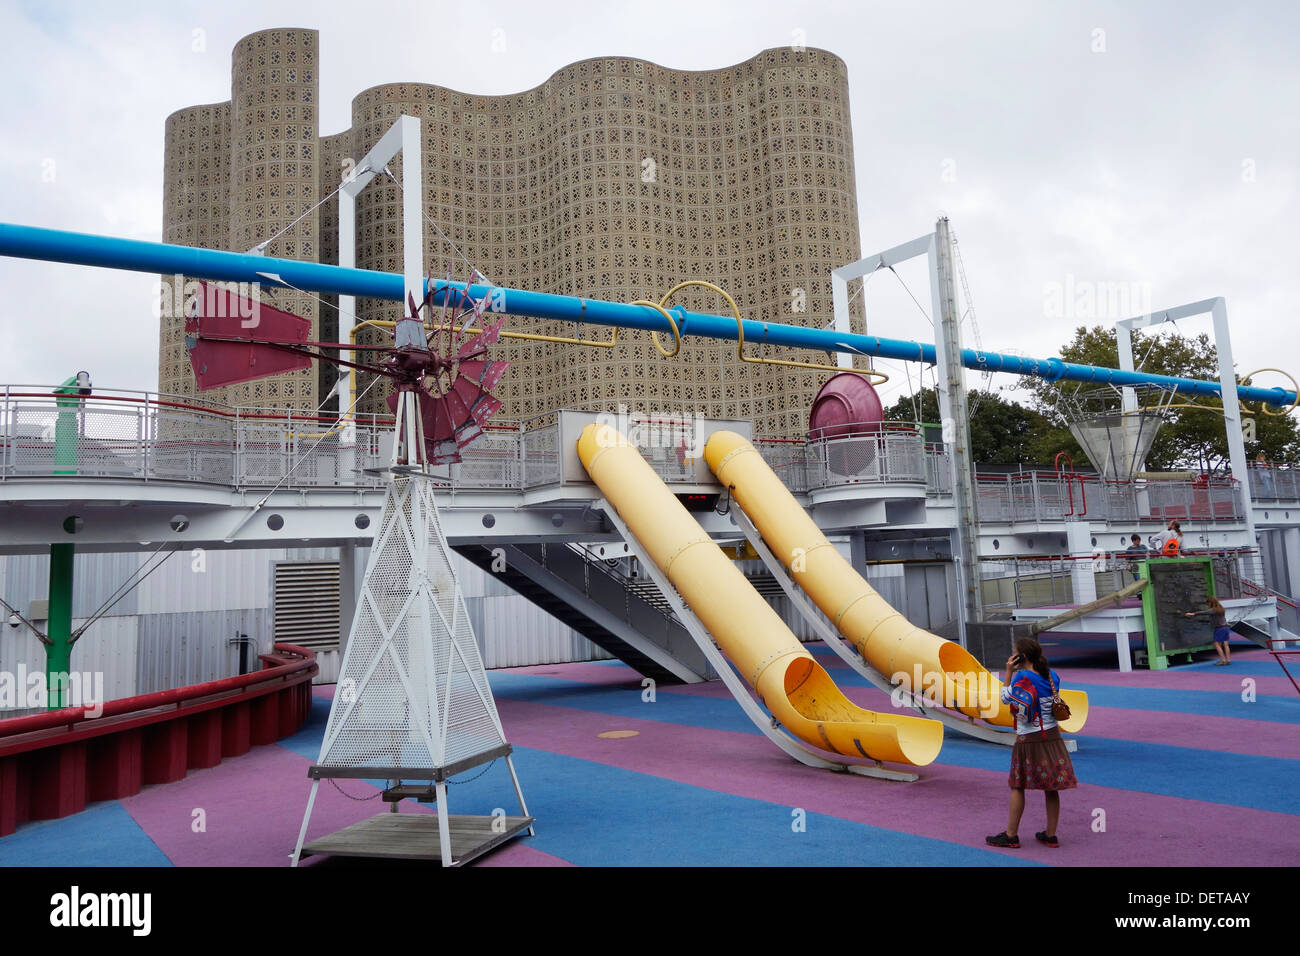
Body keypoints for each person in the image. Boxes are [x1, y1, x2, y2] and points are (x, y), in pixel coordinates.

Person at [986, 636, 1078, 850]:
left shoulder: (1022, 677)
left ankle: (1011, 835)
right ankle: (1050, 834)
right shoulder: (1052, 674)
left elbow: (1005, 698)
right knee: (1051, 787)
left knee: (1017, 785)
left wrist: (1008, 672)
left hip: (1029, 738)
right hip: (1053, 737)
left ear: (1021, 656)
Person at [1185, 596, 1232, 665]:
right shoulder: (1221, 608)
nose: (1208, 605)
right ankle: (1228, 660)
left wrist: (1193, 614)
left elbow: (1204, 612)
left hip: (1219, 628)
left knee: (1216, 644)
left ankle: (1223, 660)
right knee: (1226, 644)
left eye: (1208, 603)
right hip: (1225, 627)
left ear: (1211, 603)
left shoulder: (1213, 610)